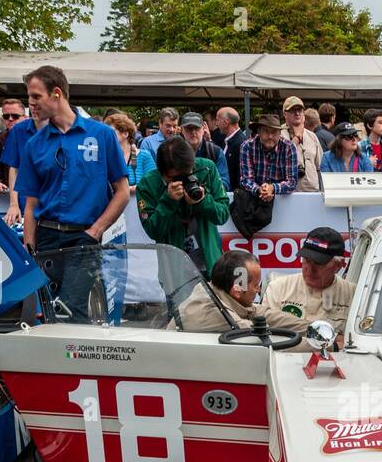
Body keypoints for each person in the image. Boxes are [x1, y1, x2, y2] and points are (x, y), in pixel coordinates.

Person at [16, 64, 130, 322]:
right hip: (46, 238)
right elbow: (31, 202)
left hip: (84, 237)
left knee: (72, 308)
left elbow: (122, 192)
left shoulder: (101, 135)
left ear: (56, 94)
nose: (30, 103)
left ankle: (74, 361)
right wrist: (29, 246)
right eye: (29, 97)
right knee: (50, 309)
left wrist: (95, 231)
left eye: (36, 96)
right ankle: (53, 361)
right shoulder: (35, 144)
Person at [136, 136, 229, 276]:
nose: (182, 181)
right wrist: (168, 201)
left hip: (210, 264)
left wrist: (203, 202)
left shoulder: (206, 169)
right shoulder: (148, 184)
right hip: (173, 271)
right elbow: (153, 231)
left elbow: (222, 215)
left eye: (186, 175)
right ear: (163, 172)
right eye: (175, 178)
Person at [177, 250, 310, 334]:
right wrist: (325, 344)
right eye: (256, 285)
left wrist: (312, 328)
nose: (258, 290)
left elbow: (262, 313)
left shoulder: (220, 292)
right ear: (237, 291)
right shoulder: (214, 313)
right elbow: (265, 339)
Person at [261, 226, 354, 334]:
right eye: (307, 260)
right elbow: (268, 332)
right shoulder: (278, 288)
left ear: (338, 266)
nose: (310, 269)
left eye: (319, 263)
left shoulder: (354, 295)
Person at [239, 112, 299, 201]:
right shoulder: (247, 146)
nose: (270, 136)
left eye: (274, 132)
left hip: (283, 202)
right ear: (258, 131)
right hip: (253, 201)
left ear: (280, 133)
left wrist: (272, 188)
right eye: (266, 131)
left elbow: (292, 182)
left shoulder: (289, 148)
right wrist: (260, 190)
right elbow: (246, 179)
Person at [178, 112, 230, 189]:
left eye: (197, 128)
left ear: (203, 129)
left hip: (211, 198)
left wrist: (205, 190)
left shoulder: (215, 152)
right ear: (182, 130)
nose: (193, 132)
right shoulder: (175, 152)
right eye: (189, 128)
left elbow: (225, 183)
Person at [282, 96, 323, 192]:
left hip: (312, 192)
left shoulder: (312, 136)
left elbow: (320, 167)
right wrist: (296, 140)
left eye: (300, 110)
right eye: (293, 110)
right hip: (287, 194)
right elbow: (278, 160)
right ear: (285, 114)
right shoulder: (279, 135)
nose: (297, 113)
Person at [106, 112, 156, 185]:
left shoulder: (144, 156)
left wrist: (136, 188)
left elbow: (153, 184)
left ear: (126, 134)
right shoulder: (106, 157)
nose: (107, 135)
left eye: (112, 132)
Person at [216, 107, 246, 189]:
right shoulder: (228, 140)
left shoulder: (240, 143)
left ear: (226, 122)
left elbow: (240, 174)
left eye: (217, 120)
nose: (216, 124)